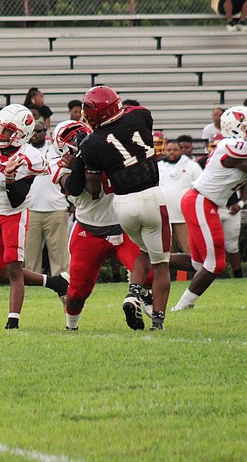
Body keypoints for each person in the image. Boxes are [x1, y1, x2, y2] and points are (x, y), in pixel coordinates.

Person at [0, 103, 69, 329]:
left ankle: (13, 321)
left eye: (6, 130)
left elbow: (17, 198)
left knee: (13, 270)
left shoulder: (31, 158)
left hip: (15, 214)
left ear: (21, 134)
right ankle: (55, 283)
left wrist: (10, 179)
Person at [76, 86, 171, 331]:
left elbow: (94, 189)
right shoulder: (141, 114)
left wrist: (83, 153)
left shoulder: (91, 144)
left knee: (142, 250)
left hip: (123, 204)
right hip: (151, 196)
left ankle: (133, 294)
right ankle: (157, 322)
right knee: (161, 265)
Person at [51, 120, 154, 330]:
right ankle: (71, 326)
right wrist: (83, 161)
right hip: (90, 231)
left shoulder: (107, 148)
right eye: (74, 141)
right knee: (78, 291)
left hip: (123, 226)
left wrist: (87, 159)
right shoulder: (56, 164)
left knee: (150, 276)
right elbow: (83, 189)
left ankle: (141, 295)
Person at [172, 106, 247, 312]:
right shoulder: (235, 145)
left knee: (198, 264)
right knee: (215, 264)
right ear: (236, 128)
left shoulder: (236, 145)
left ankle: (154, 261)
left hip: (201, 201)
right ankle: (182, 307)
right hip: (201, 202)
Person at [24, 120, 69, 276]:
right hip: (31, 208)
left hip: (56, 208)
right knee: (30, 257)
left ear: (46, 131)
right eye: (32, 132)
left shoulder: (55, 150)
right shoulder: (24, 151)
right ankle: (32, 285)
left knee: (60, 256)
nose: (35, 135)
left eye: (38, 131)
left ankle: (63, 284)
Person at [158, 140, 202, 254]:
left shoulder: (192, 166)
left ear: (181, 151)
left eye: (175, 150)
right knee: (166, 254)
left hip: (184, 217)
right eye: (169, 150)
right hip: (164, 217)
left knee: (189, 251)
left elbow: (201, 187)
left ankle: (195, 272)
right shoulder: (159, 166)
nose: (172, 152)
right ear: (165, 151)